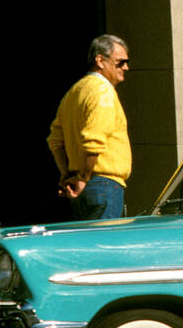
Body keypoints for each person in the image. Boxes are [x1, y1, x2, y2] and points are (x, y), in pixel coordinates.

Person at [48, 34, 131, 220]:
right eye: (120, 62)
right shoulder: (103, 91)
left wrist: (67, 175)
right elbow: (93, 141)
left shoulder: (75, 91)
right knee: (105, 245)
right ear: (100, 60)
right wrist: (82, 177)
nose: (126, 67)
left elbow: (55, 141)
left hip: (81, 186)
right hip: (103, 183)